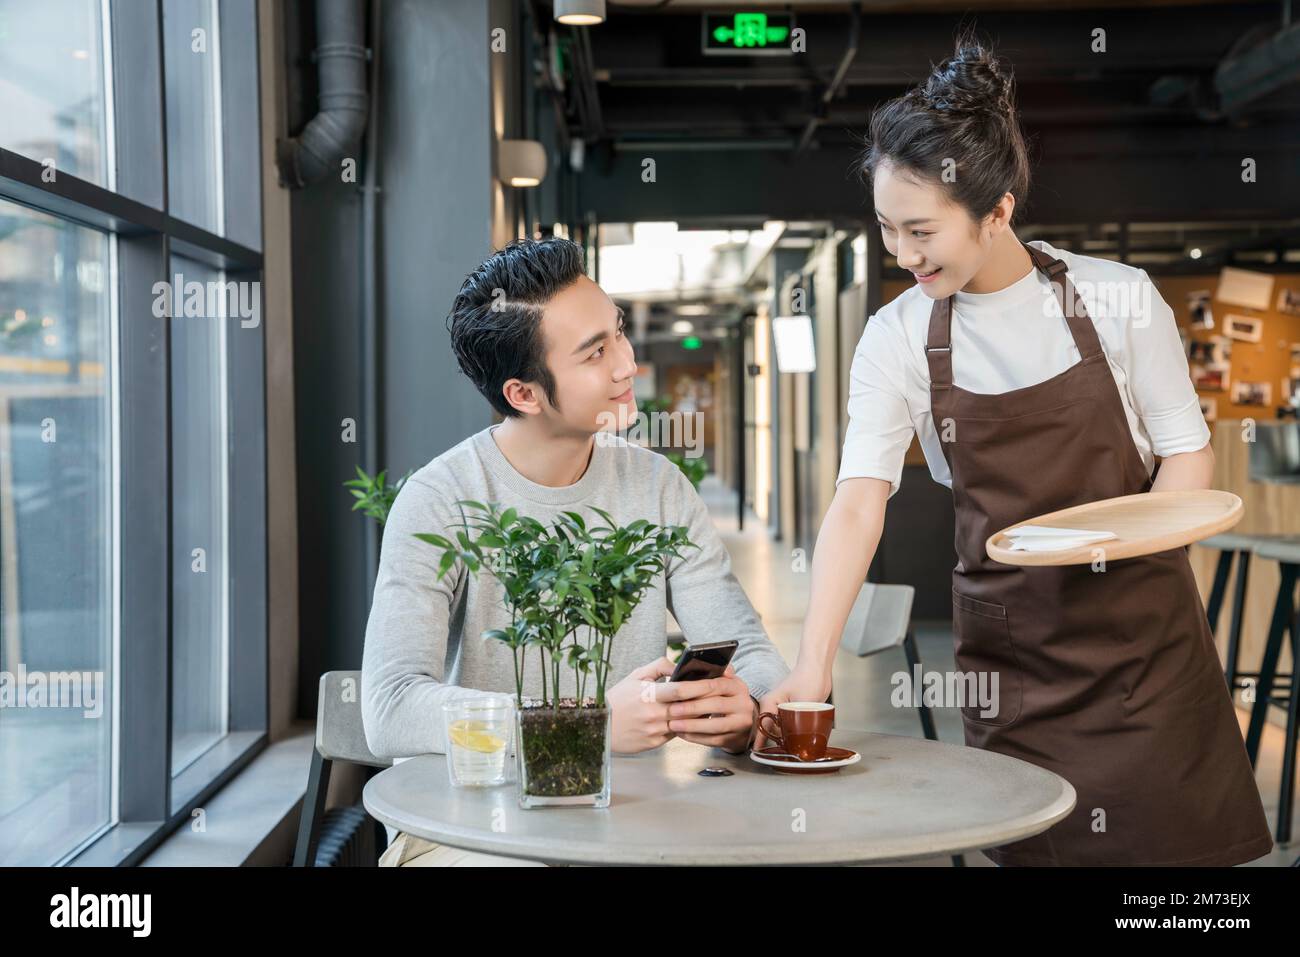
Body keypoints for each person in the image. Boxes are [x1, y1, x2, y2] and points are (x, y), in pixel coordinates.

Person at [759, 33, 1274, 867]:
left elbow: (1187, 454)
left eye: (922, 230)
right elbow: (858, 500)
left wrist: (1128, 544)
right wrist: (811, 662)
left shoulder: (1117, 298)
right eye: (887, 228)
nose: (903, 255)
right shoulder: (896, 336)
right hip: (1016, 666)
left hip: (1144, 647)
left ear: (996, 211)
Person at [362, 237, 790, 866]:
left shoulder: (659, 487)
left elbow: (750, 653)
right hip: (472, 824)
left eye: (618, 333)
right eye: (595, 353)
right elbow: (391, 708)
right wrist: (585, 724)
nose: (627, 365)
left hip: (627, 818)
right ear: (524, 394)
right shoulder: (440, 499)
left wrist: (744, 711)